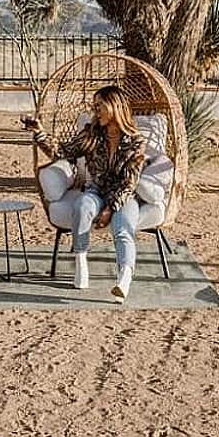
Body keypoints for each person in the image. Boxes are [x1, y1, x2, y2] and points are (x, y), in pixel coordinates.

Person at [24, 86, 146, 302]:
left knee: (122, 227)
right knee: (82, 206)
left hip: (123, 195)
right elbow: (62, 151)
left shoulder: (136, 140)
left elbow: (130, 182)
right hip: (96, 190)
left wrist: (110, 208)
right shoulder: (91, 133)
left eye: (100, 105)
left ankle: (124, 279)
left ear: (114, 106)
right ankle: (81, 264)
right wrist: (39, 132)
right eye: (94, 105)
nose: (96, 110)